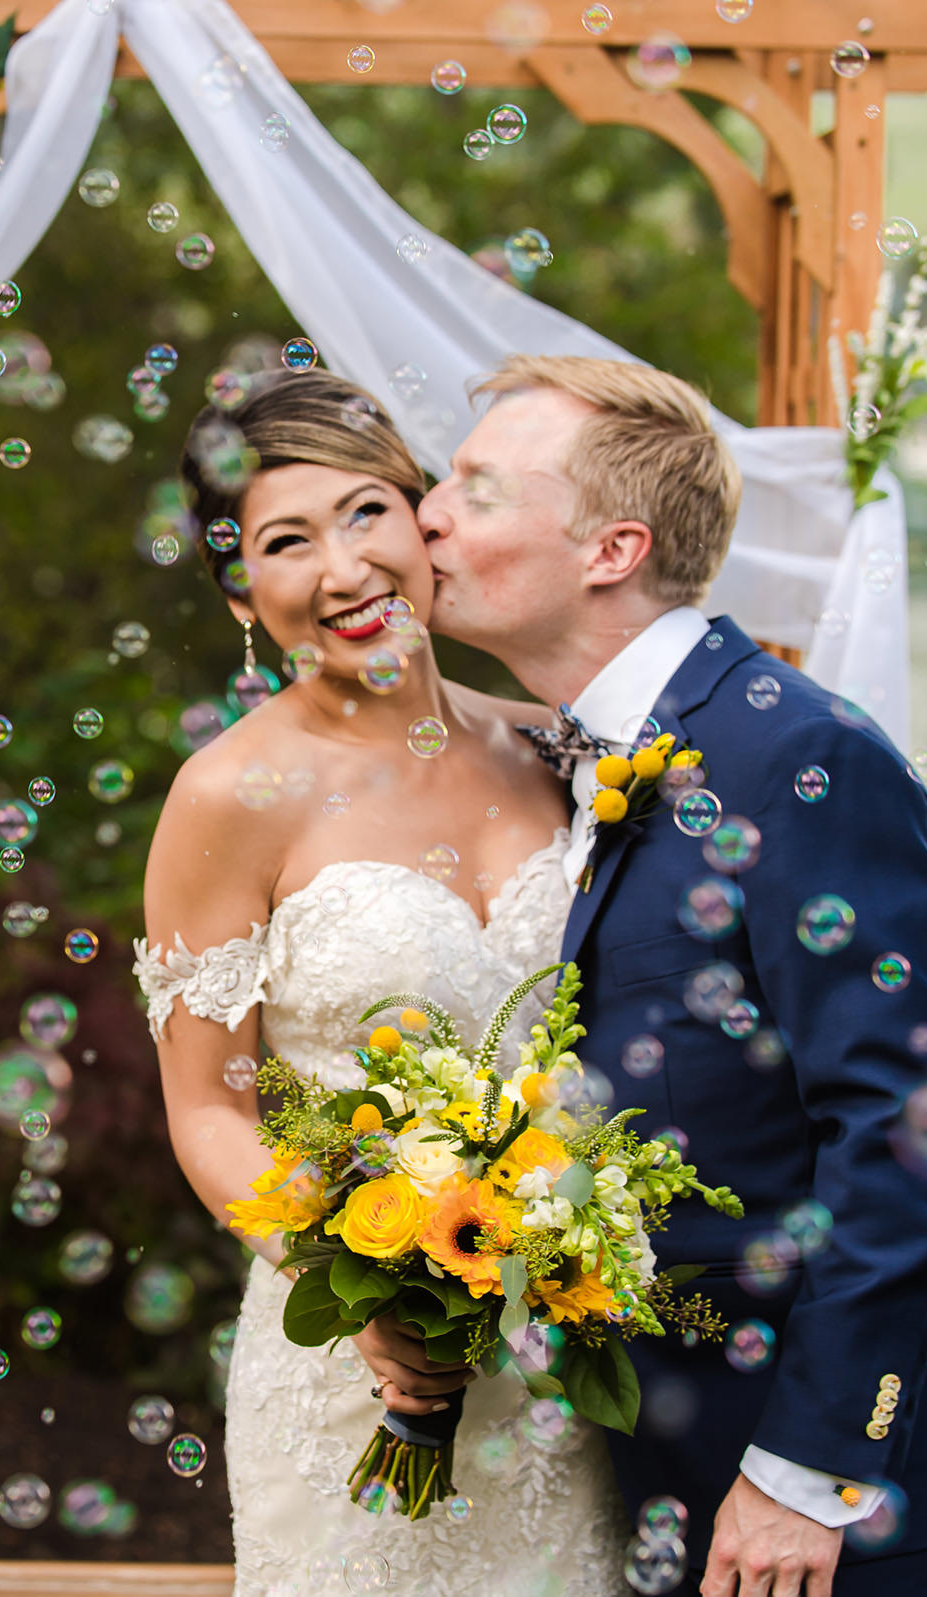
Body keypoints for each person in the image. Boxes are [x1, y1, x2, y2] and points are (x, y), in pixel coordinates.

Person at [366, 353, 927, 1597]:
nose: (427, 513)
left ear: (611, 549)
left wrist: (806, 1469)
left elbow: (909, 1131)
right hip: (673, 1436)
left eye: (475, 487)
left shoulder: (802, 755)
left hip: (842, 1484)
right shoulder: (580, 760)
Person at [134, 369, 627, 1596]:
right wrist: (350, 1270)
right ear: (240, 588)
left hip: (575, 1342)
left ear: (427, 521)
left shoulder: (559, 749)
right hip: (357, 1358)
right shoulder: (228, 796)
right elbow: (208, 1108)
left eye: (366, 513)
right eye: (286, 542)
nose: (344, 569)